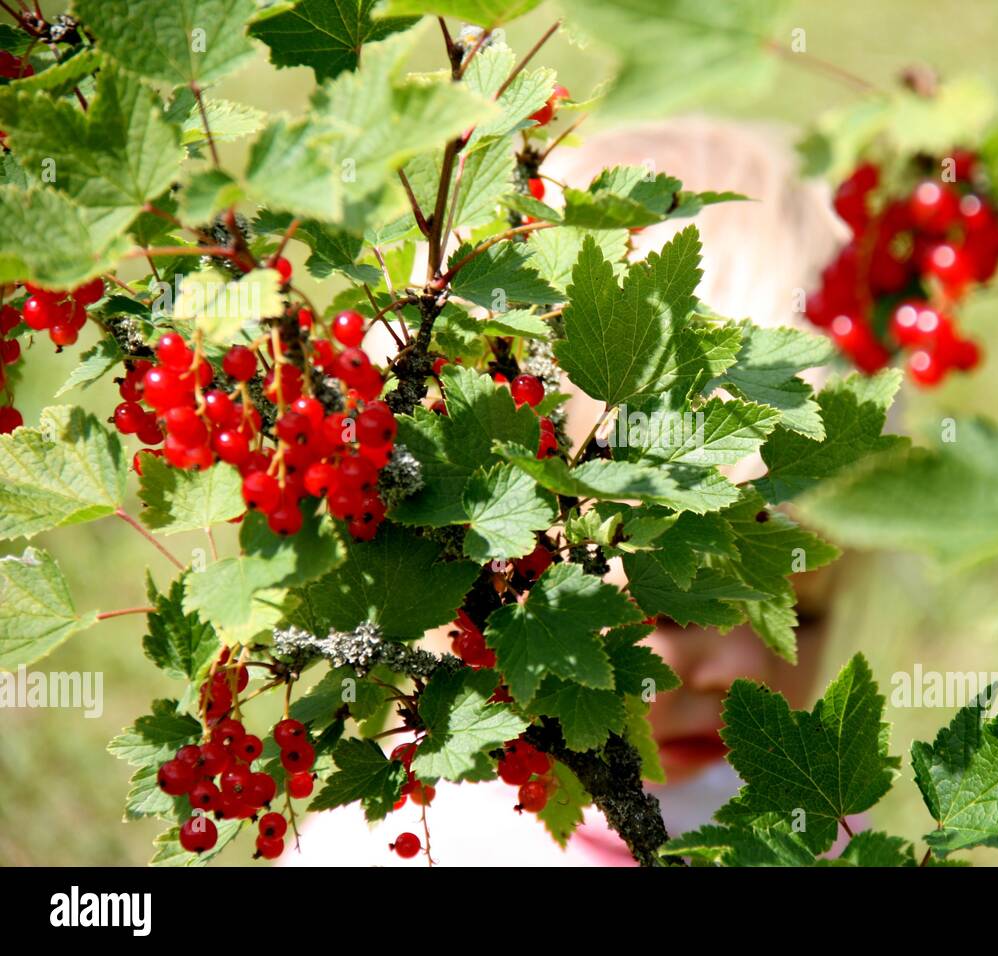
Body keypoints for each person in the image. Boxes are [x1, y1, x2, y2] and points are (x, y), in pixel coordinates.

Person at [283, 119, 854, 866]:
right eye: (663, 610)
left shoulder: (809, 815)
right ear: (478, 555)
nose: (742, 671)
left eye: (801, 616)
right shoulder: (422, 848)